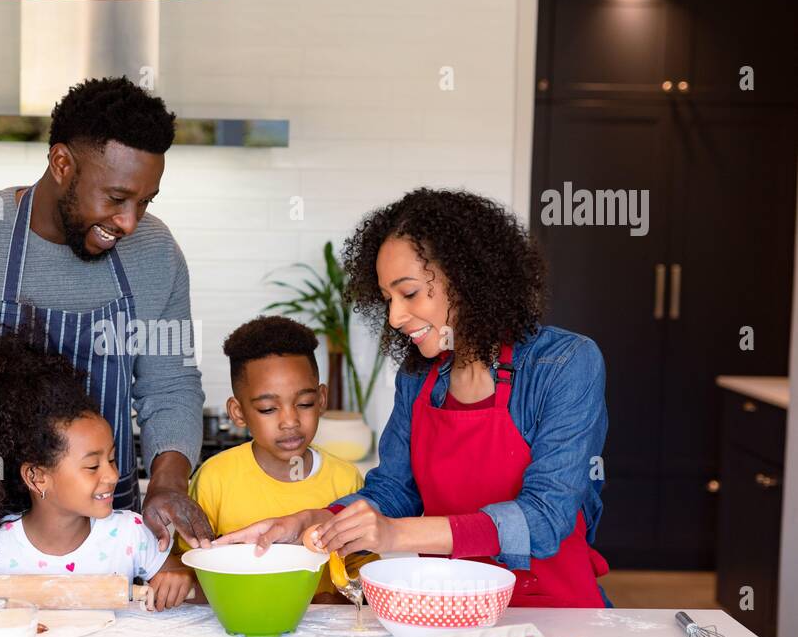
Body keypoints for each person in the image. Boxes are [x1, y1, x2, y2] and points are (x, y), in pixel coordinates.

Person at [0, 77, 210, 633]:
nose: (130, 223)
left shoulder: (156, 256)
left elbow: (170, 388)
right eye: (116, 199)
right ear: (62, 164)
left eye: (145, 202)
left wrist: (168, 483)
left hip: (97, 553)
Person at [215, 188, 612, 608]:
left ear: (466, 277)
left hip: (554, 613)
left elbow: (545, 518)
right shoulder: (419, 377)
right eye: (387, 299)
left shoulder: (565, 364)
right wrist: (315, 521)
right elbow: (394, 489)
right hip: (450, 606)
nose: (394, 317)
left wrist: (395, 533)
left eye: (409, 294)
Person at [0, 325, 194, 611]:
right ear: (37, 477)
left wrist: (180, 579)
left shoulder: (131, 535)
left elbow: (187, 585)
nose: (112, 475)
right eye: (92, 466)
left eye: (111, 459)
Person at [181, 316, 374, 600]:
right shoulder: (214, 478)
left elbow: (362, 572)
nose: (290, 421)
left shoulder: (345, 479)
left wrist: (333, 600)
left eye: (304, 404)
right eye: (269, 409)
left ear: (322, 399)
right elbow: (190, 567)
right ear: (238, 413)